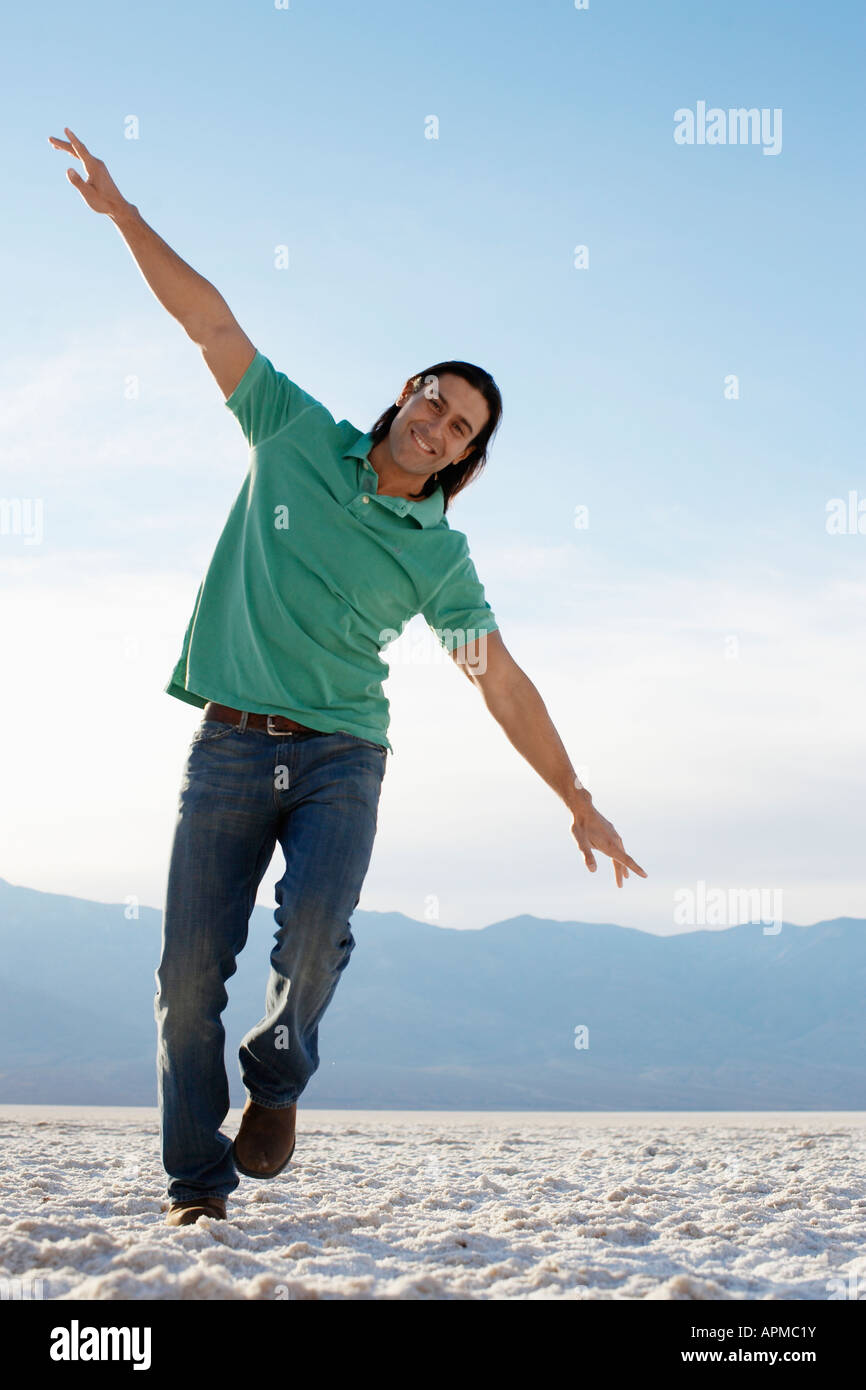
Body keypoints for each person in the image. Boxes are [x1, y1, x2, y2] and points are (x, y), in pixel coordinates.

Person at [49, 126, 648, 1226]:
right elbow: (211, 320)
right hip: (228, 745)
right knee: (186, 986)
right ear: (406, 390)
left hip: (341, 755)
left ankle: (275, 1080)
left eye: (461, 430)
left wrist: (575, 796)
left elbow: (497, 680)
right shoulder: (290, 433)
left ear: (464, 460)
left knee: (314, 929)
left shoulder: (436, 556)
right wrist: (125, 217)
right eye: (436, 399)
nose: (438, 426)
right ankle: (198, 1187)